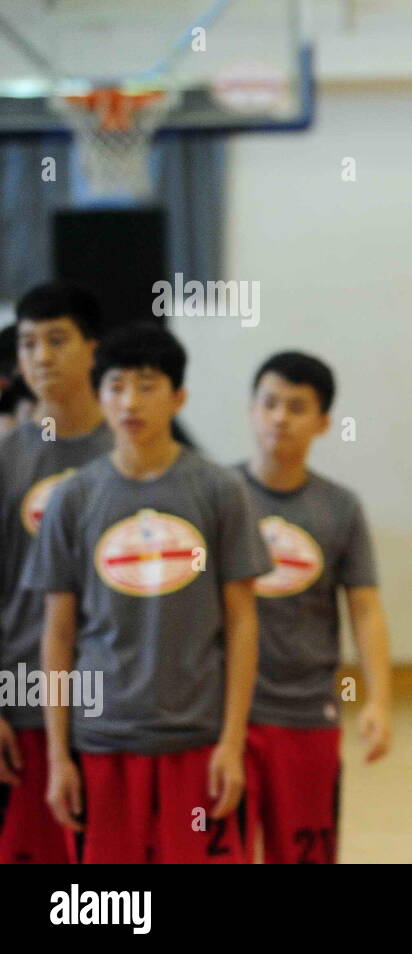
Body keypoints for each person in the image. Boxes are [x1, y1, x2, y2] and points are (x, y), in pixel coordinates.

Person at [25, 322, 271, 863]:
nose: (129, 401)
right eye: (115, 386)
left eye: (147, 385)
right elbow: (59, 632)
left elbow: (243, 620)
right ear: (99, 394)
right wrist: (58, 756)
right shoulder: (73, 498)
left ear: (178, 396)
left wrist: (232, 744)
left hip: (199, 743)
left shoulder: (220, 490)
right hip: (102, 745)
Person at [237, 351, 392, 864]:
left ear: (323, 422)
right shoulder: (216, 495)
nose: (280, 416)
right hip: (221, 716)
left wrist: (379, 701)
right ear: (252, 409)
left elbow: (365, 609)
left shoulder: (340, 508)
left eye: (297, 406)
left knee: (305, 853)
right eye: (270, 402)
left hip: (307, 714)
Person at [0, 282, 111, 864]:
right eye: (27, 343)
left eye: (57, 340)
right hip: (21, 705)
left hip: (117, 710)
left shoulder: (129, 454)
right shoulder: (5, 459)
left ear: (92, 348)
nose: (40, 356)